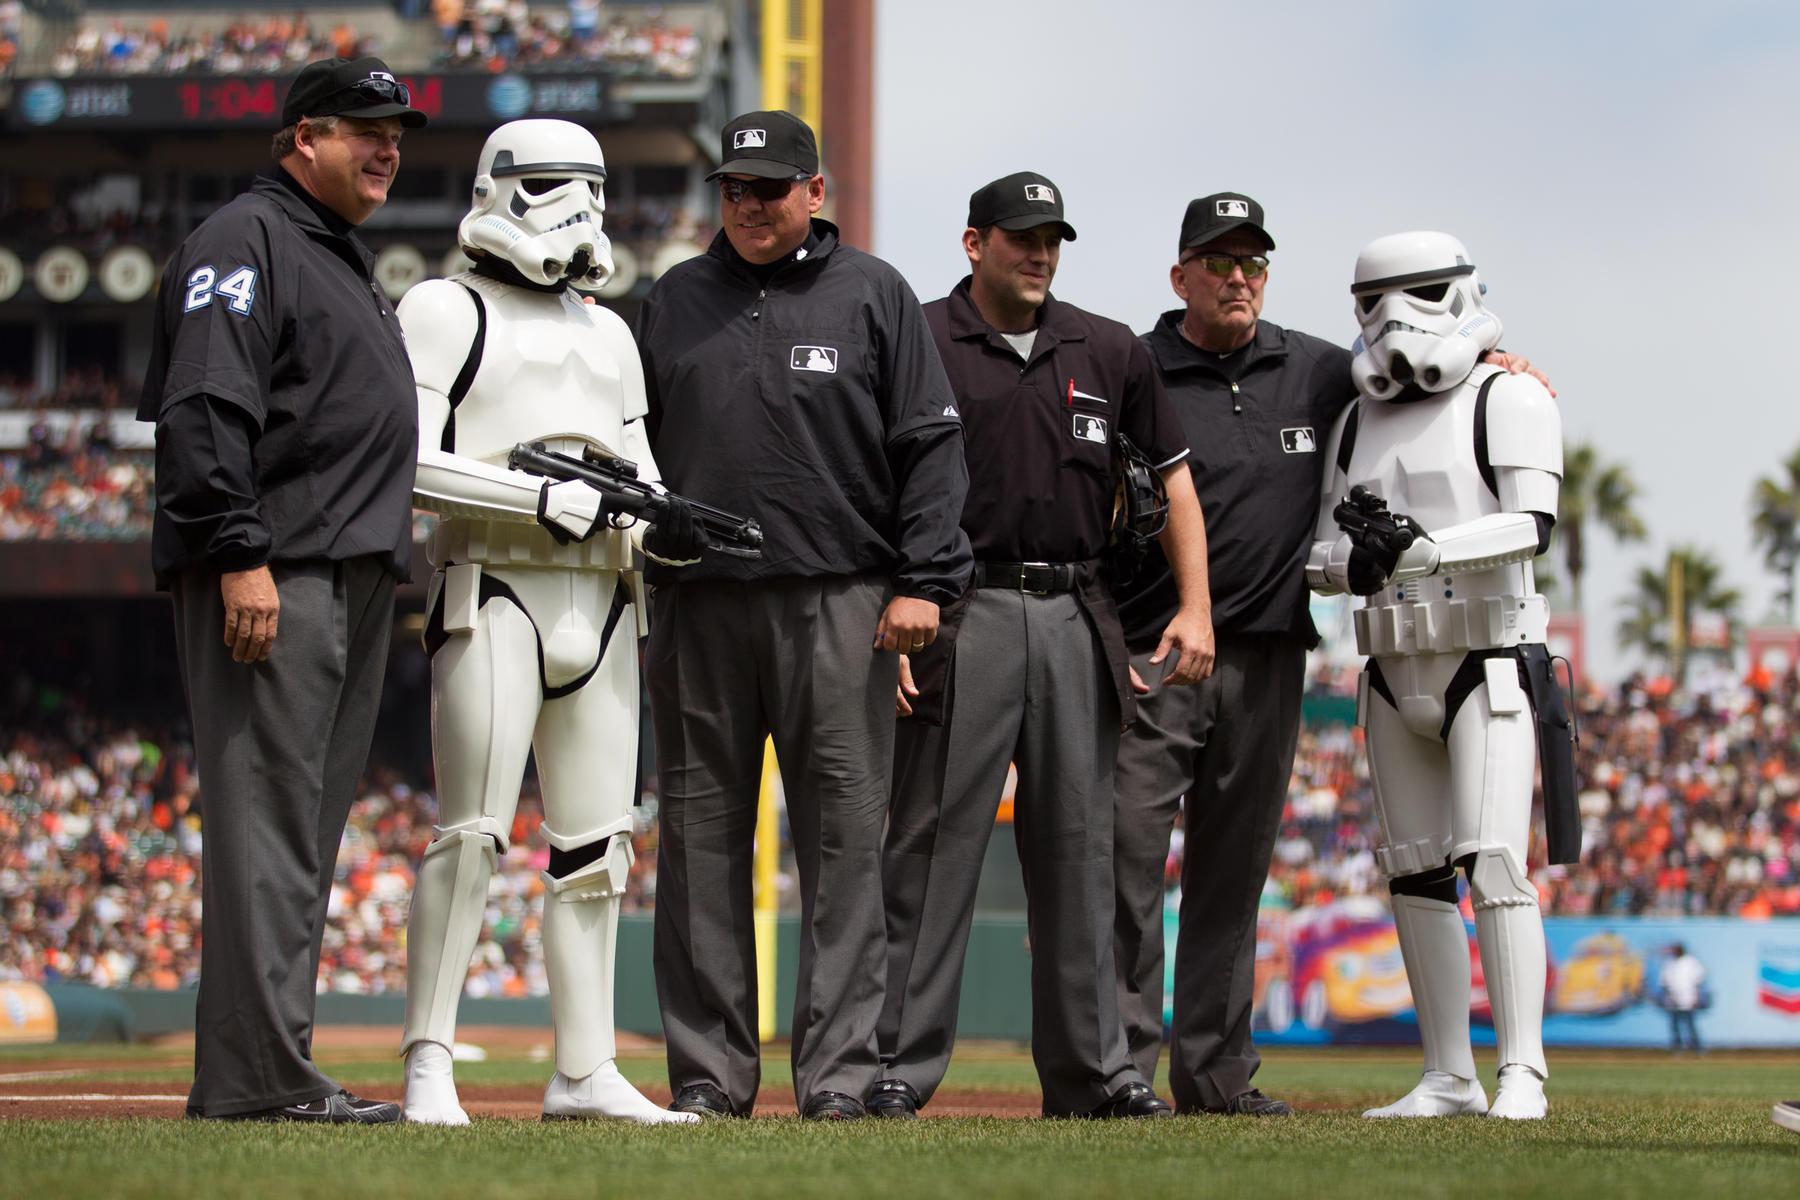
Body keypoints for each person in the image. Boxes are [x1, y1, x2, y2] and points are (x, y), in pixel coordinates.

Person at [1109, 193, 1550, 1116]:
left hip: (1272, 654)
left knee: (1236, 878)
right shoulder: (1132, 367)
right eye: (1218, 262)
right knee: (1127, 864)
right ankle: (1119, 1075)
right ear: (1180, 274)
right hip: (1157, 647)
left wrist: (1495, 363)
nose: (1238, 278)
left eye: (1253, 262)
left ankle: (1217, 1079)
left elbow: (1427, 392)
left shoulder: (1318, 372)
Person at [634, 110, 971, 1120]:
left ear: (814, 192)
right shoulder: (673, 298)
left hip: (840, 599)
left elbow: (930, 447)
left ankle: (838, 1079)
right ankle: (708, 1077)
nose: (750, 205)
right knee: (699, 842)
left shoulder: (874, 292)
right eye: (734, 189)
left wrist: (923, 582)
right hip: (699, 601)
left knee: (843, 849)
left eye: (771, 188)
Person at [869, 173, 1212, 1121]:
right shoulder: (919, 337)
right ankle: (896, 1063)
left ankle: (1097, 1073)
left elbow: (1174, 481)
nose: (1040, 252)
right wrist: (892, 619)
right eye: (1021, 236)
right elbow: (873, 488)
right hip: (959, 608)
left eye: (1052, 238)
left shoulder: (1107, 346)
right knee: (931, 848)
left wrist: (1197, 606)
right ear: (974, 242)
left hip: (1074, 611)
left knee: (1081, 855)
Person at [393, 119, 701, 1126]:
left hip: (603, 599)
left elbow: (640, 464)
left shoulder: (610, 333)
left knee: (598, 849)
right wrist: (532, 499)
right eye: (554, 184)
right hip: (495, 585)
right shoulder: (445, 309)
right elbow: (411, 459)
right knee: (472, 833)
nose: (580, 208)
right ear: (499, 188)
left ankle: (586, 1067)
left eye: (594, 187)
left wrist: (659, 518)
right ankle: (429, 1060)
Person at [136, 56, 425, 1123]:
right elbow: (205, 408)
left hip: (343, 568)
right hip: (278, 568)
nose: (387, 146)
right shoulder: (244, 239)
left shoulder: (332, 250)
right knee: (269, 829)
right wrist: (239, 552)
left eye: (396, 131)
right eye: (364, 128)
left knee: (297, 834)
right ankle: (261, 1078)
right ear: (305, 136)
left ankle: (259, 1073)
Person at [1309, 230, 1565, 1120]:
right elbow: (1319, 553)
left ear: (1460, 292)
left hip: (1486, 660)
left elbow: (1532, 523)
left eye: (1416, 293)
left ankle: (1522, 1069)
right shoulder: (1353, 421)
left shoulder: (1509, 395)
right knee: (1414, 872)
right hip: (1390, 666)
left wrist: (1425, 551)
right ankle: (1448, 1073)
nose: (1391, 319)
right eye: (1372, 301)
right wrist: (1355, 563)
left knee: (1494, 861)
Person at [1658, 942, 1707, 1054]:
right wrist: (1669, 995)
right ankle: (1677, 1048)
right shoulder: (1669, 963)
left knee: (1690, 1024)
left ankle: (1697, 1048)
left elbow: (1699, 980)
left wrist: (1696, 996)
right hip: (1673, 999)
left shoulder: (1691, 962)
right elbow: (1664, 982)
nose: (1674, 952)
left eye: (1675, 949)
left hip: (1688, 998)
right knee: (1674, 1025)